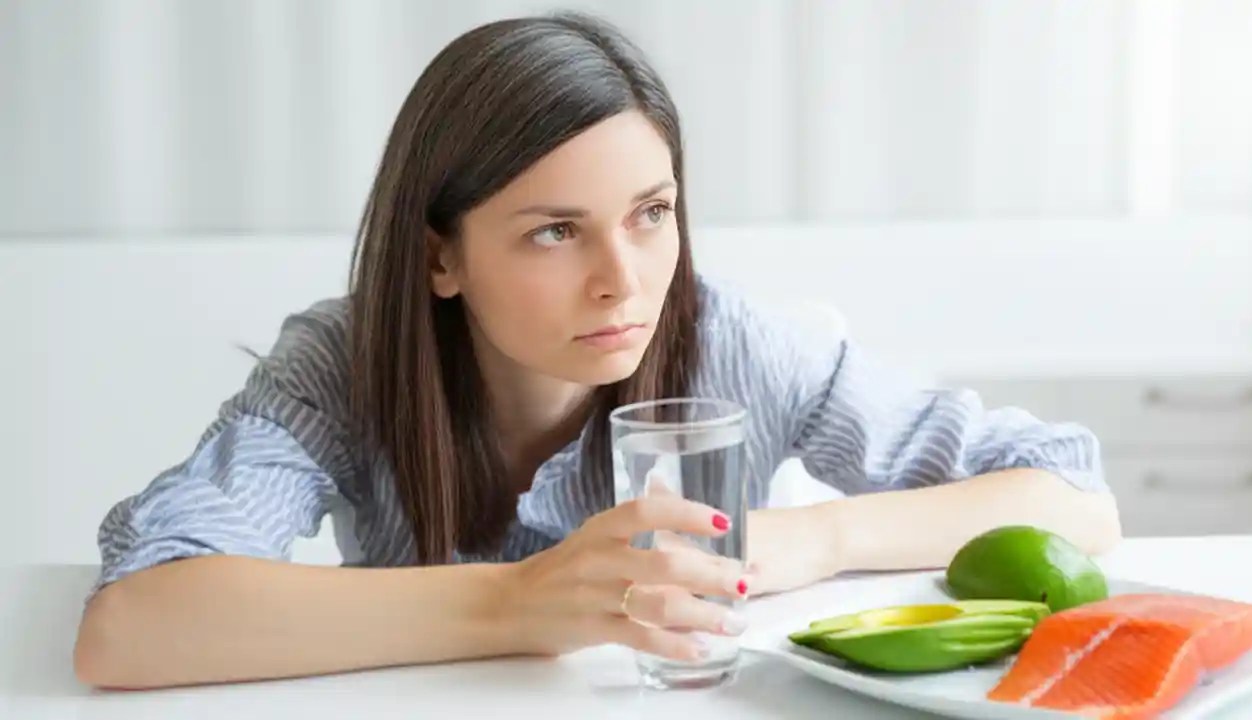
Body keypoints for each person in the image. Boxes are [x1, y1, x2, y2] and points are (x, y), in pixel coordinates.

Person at [73, 12, 1120, 690]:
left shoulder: (736, 346)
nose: (625, 277)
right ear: (440, 256)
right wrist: (520, 602)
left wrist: (816, 538)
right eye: (553, 231)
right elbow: (132, 626)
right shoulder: (342, 365)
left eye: (650, 213)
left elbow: (1073, 501)